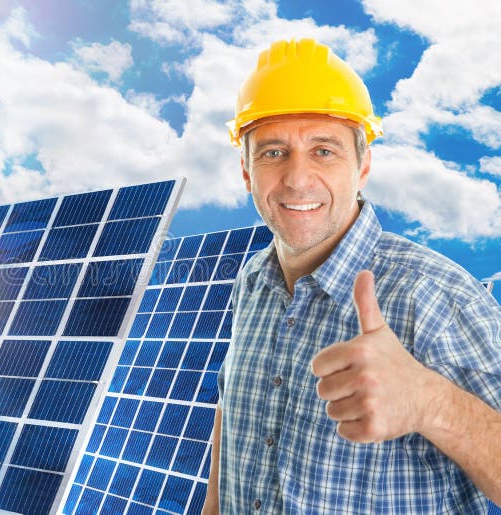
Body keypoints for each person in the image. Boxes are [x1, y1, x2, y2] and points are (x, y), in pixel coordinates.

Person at [202, 38, 501, 513]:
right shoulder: (252, 282)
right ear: (246, 171)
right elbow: (231, 415)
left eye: (323, 150)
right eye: (273, 153)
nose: (297, 179)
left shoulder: (437, 296)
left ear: (363, 165)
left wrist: (431, 403)